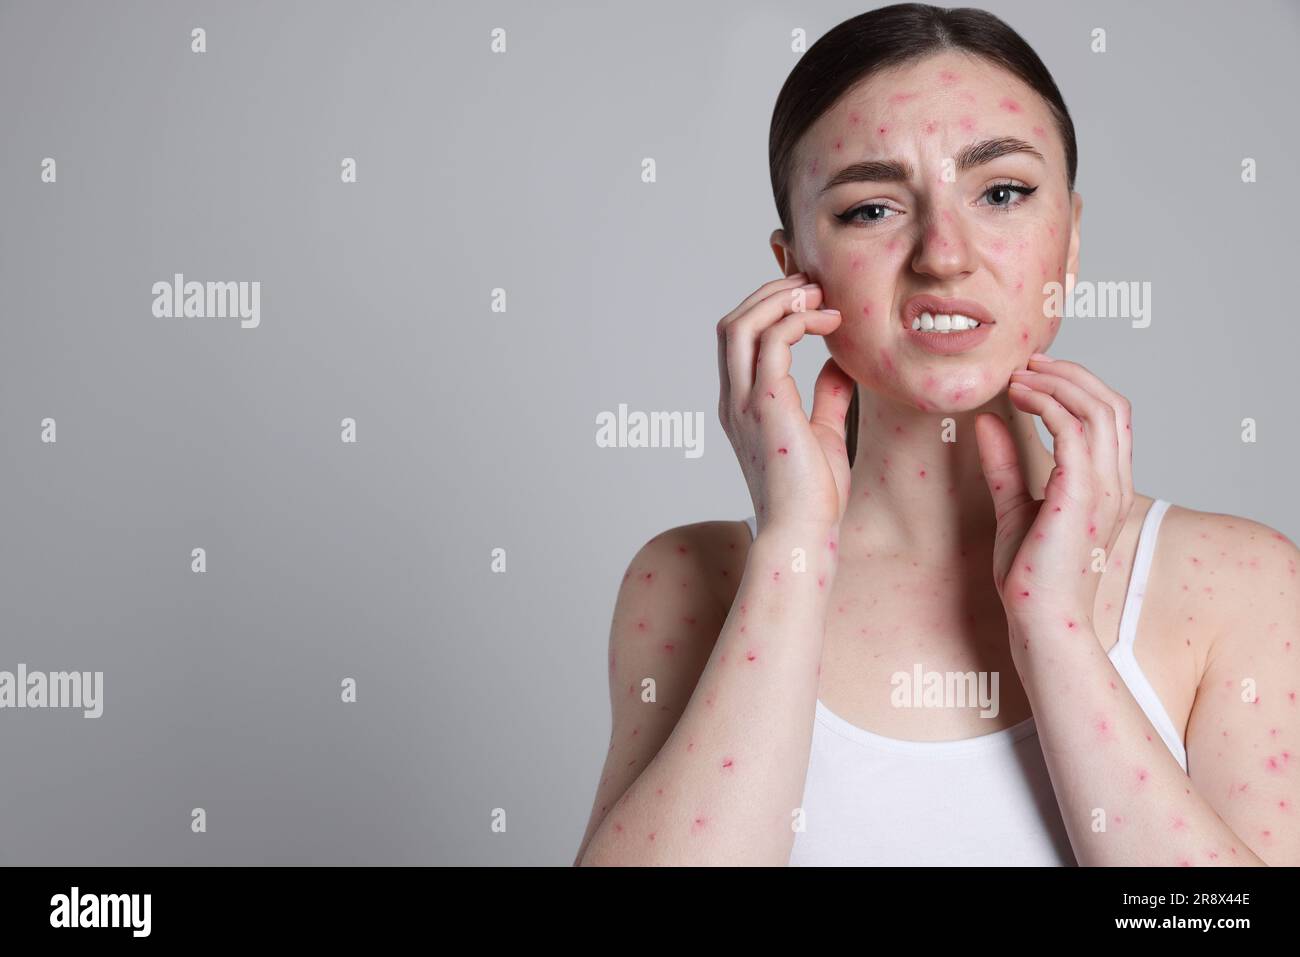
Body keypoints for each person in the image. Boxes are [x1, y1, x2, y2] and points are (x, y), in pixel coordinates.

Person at [574, 3, 1299, 866]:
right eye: (871, 209)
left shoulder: (1239, 584)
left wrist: (1055, 630)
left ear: (1070, 243)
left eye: (1002, 192)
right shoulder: (688, 581)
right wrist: (793, 553)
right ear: (795, 272)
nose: (944, 255)